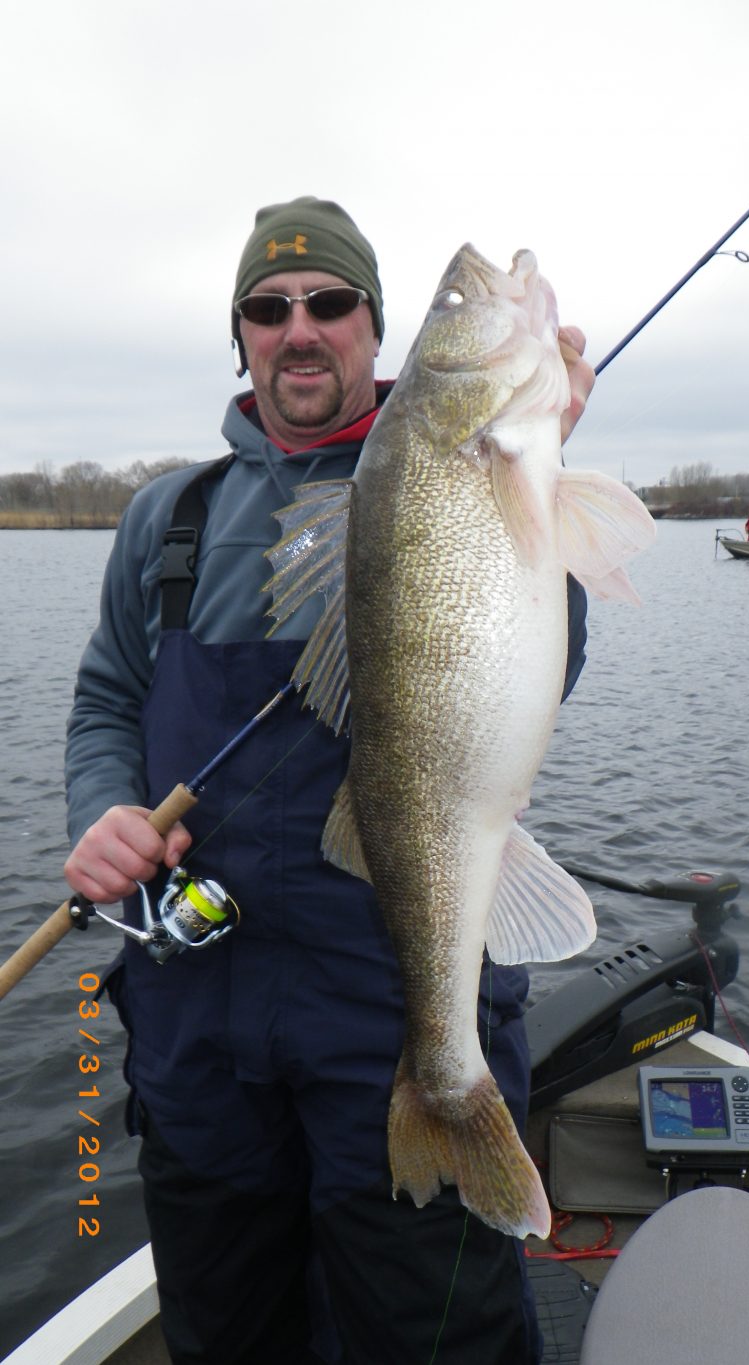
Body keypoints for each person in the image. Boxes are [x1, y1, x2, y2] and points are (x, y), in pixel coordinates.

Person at [64, 197, 595, 1365]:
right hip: (200, 1017)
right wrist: (101, 808)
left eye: (330, 303)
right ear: (243, 334)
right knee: (224, 1325)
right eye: (268, 307)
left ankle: (446, 1095)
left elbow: (540, 660)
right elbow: (106, 698)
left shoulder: (450, 467)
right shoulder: (169, 518)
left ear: (375, 327)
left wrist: (540, 469)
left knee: (436, 1327)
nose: (298, 328)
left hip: (383, 1001)